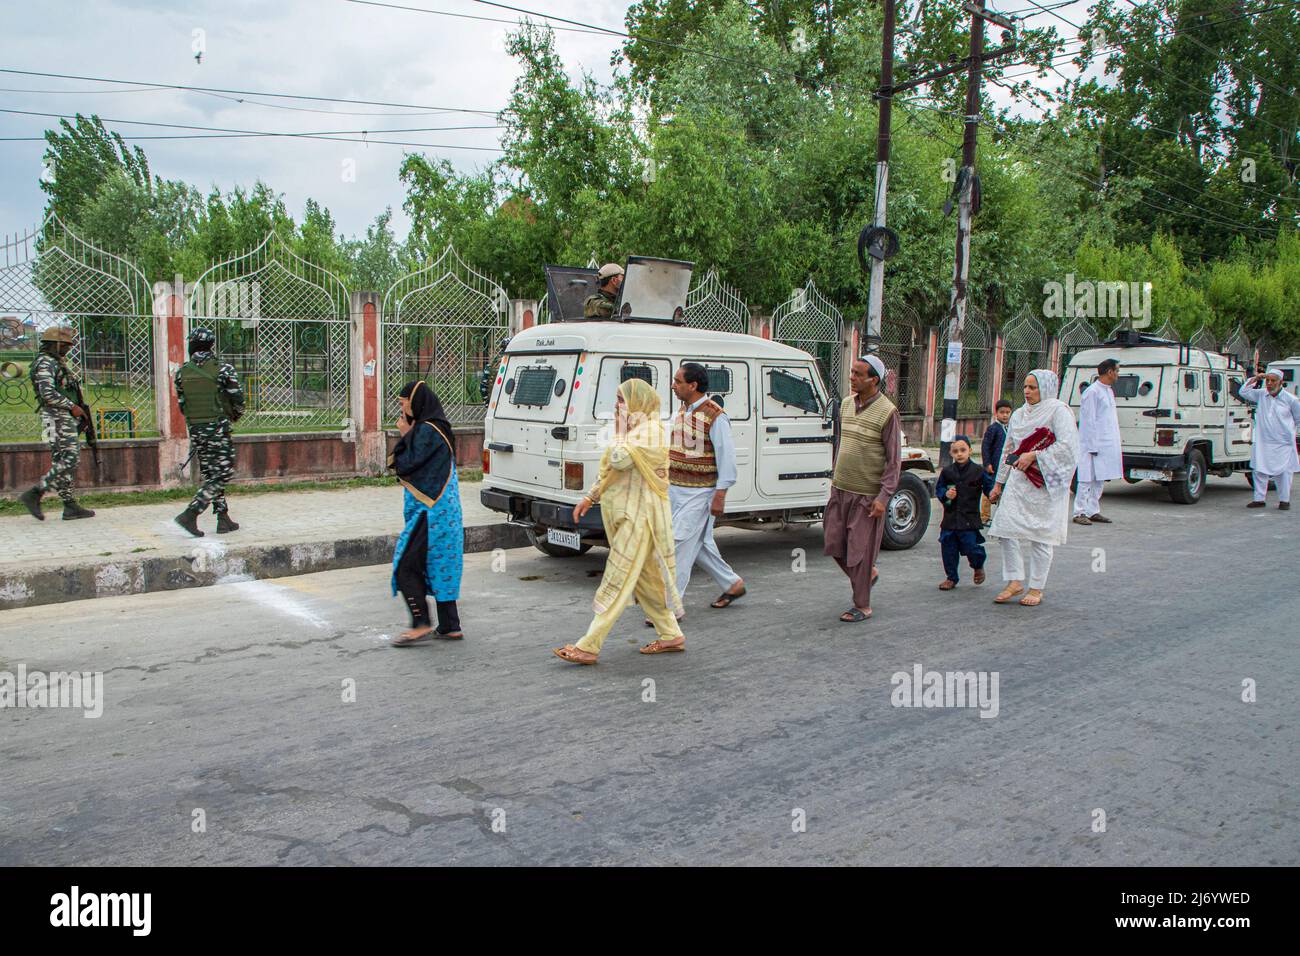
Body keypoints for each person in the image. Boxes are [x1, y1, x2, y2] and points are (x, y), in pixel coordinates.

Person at [554, 378, 685, 664]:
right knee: (645, 578)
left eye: (622, 400)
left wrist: (621, 430)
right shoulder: (633, 431)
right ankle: (670, 633)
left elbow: (618, 460)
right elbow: (610, 473)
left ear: (639, 402)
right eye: (616, 399)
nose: (617, 405)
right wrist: (589, 498)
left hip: (641, 518)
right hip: (625, 514)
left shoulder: (650, 431)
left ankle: (589, 644)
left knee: (619, 575)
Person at [987, 370, 1080, 607]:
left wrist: (1035, 455)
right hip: (1019, 479)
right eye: (1025, 387)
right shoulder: (1018, 415)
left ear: (1046, 388)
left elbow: (1068, 447)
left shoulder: (1058, 411)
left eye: (1033, 387)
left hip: (1046, 483)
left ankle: (1036, 587)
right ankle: (1015, 580)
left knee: (1041, 537)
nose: (1027, 392)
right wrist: (999, 483)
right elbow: (1008, 451)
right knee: (1005, 528)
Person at [660, 362, 746, 618]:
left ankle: (669, 608)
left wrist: (720, 494)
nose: (673, 386)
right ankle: (732, 584)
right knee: (700, 543)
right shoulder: (683, 410)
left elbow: (727, 457)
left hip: (700, 494)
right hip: (676, 491)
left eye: (677, 381)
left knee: (679, 546)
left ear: (693, 385)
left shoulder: (716, 416)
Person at [824, 354, 900, 623]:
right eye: (852, 372)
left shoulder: (887, 412)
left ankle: (862, 604)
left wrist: (883, 496)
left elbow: (894, 460)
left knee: (860, 551)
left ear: (874, 380)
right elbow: (842, 443)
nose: (852, 378)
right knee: (834, 544)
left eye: (858, 374)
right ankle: (868, 575)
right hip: (841, 487)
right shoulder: (845, 405)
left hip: (867, 495)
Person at [389, 380, 465, 645]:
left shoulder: (427, 431)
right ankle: (449, 625)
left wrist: (405, 436)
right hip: (444, 512)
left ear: (416, 402)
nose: (401, 410)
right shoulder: (437, 427)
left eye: (403, 403)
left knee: (406, 565)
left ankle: (420, 622)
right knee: (441, 564)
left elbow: (408, 464)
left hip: (431, 511)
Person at [17, 326, 95, 521]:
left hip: (61, 416)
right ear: (56, 344)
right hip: (56, 416)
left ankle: (70, 506)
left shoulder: (54, 362)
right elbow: (47, 393)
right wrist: (72, 407)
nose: (68, 348)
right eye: (66, 345)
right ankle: (35, 493)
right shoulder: (45, 363)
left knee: (62, 460)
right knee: (71, 459)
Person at [173, 328, 245, 537]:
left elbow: (182, 405)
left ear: (192, 346)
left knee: (211, 473)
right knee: (223, 472)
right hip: (217, 427)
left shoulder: (181, 373)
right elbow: (238, 400)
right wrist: (232, 417)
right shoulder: (224, 369)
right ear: (210, 345)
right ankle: (191, 513)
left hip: (196, 429)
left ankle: (223, 518)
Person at [935, 435, 995, 590]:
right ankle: (951, 578)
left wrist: (994, 495)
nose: (959, 454)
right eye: (956, 451)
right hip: (950, 519)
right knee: (948, 549)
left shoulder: (978, 471)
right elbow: (940, 488)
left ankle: (978, 565)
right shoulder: (947, 472)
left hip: (969, 519)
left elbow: (990, 488)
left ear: (970, 450)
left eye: (963, 450)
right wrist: (946, 495)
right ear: (951, 453)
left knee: (972, 548)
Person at [1238, 368, 1300, 510]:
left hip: (1282, 443)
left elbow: (1298, 419)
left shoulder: (1291, 400)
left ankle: (1284, 500)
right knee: (1259, 470)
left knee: (1283, 472)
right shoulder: (1261, 395)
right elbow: (1243, 392)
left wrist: (1287, 433)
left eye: (1273, 381)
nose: (1270, 384)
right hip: (1263, 441)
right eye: (1268, 380)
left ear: (1281, 382)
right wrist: (1255, 379)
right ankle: (1259, 499)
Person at [1073, 358, 1122, 525]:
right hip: (1091, 444)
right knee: (1086, 478)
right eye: (1117, 370)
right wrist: (1092, 445)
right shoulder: (1092, 392)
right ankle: (1079, 512)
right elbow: (1088, 420)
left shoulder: (1108, 391)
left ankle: (1092, 510)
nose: (1118, 374)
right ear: (1109, 372)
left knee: (1100, 478)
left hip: (1107, 442)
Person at [980, 399, 1012, 526]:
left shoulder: (1010, 428)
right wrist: (987, 463)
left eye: (1007, 412)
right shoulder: (993, 429)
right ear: (996, 413)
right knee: (989, 490)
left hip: (1005, 467)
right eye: (1002, 412)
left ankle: (1001, 517)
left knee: (1003, 492)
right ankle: (984, 516)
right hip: (993, 467)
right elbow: (985, 446)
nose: (1005, 415)